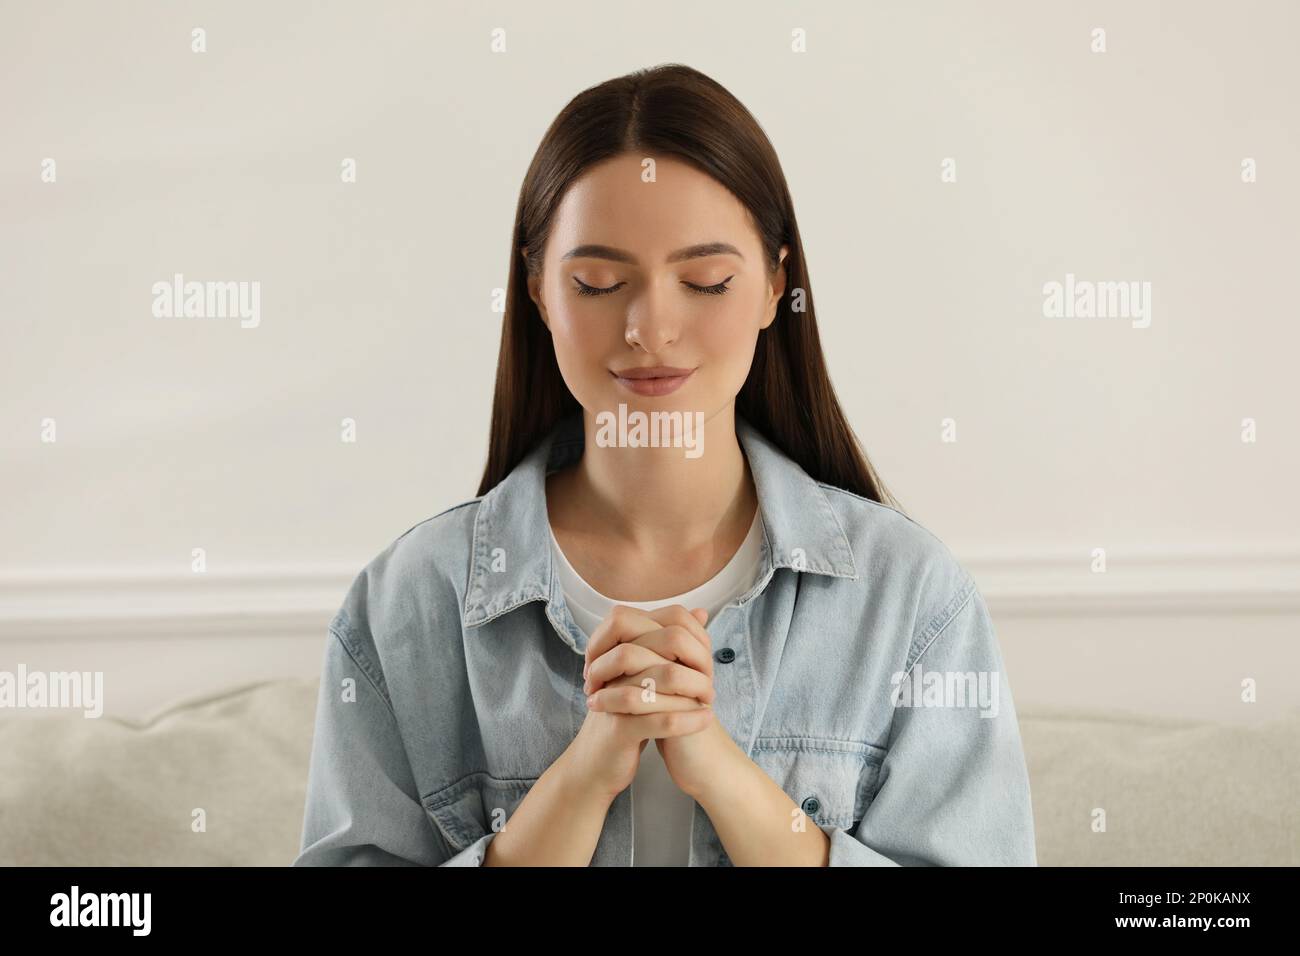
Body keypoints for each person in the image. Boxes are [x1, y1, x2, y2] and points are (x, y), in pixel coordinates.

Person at [294, 63, 1037, 867]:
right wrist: (580, 780)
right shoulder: (408, 607)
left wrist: (722, 773)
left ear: (773, 287)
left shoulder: (911, 599)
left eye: (706, 281)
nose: (651, 326)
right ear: (539, 290)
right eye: (599, 282)